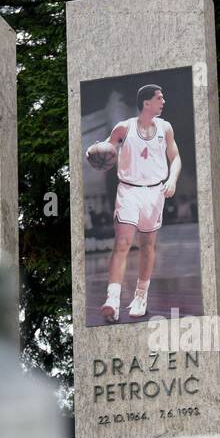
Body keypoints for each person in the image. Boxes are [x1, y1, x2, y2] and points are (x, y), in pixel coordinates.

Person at [87, 83, 181, 322]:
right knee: (123, 243)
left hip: (155, 192)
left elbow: (176, 157)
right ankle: (113, 300)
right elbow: (107, 148)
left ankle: (140, 297)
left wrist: (172, 180)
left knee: (148, 246)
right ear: (146, 102)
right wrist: (94, 152)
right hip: (128, 191)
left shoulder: (165, 127)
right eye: (159, 98)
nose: (163, 101)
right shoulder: (123, 127)